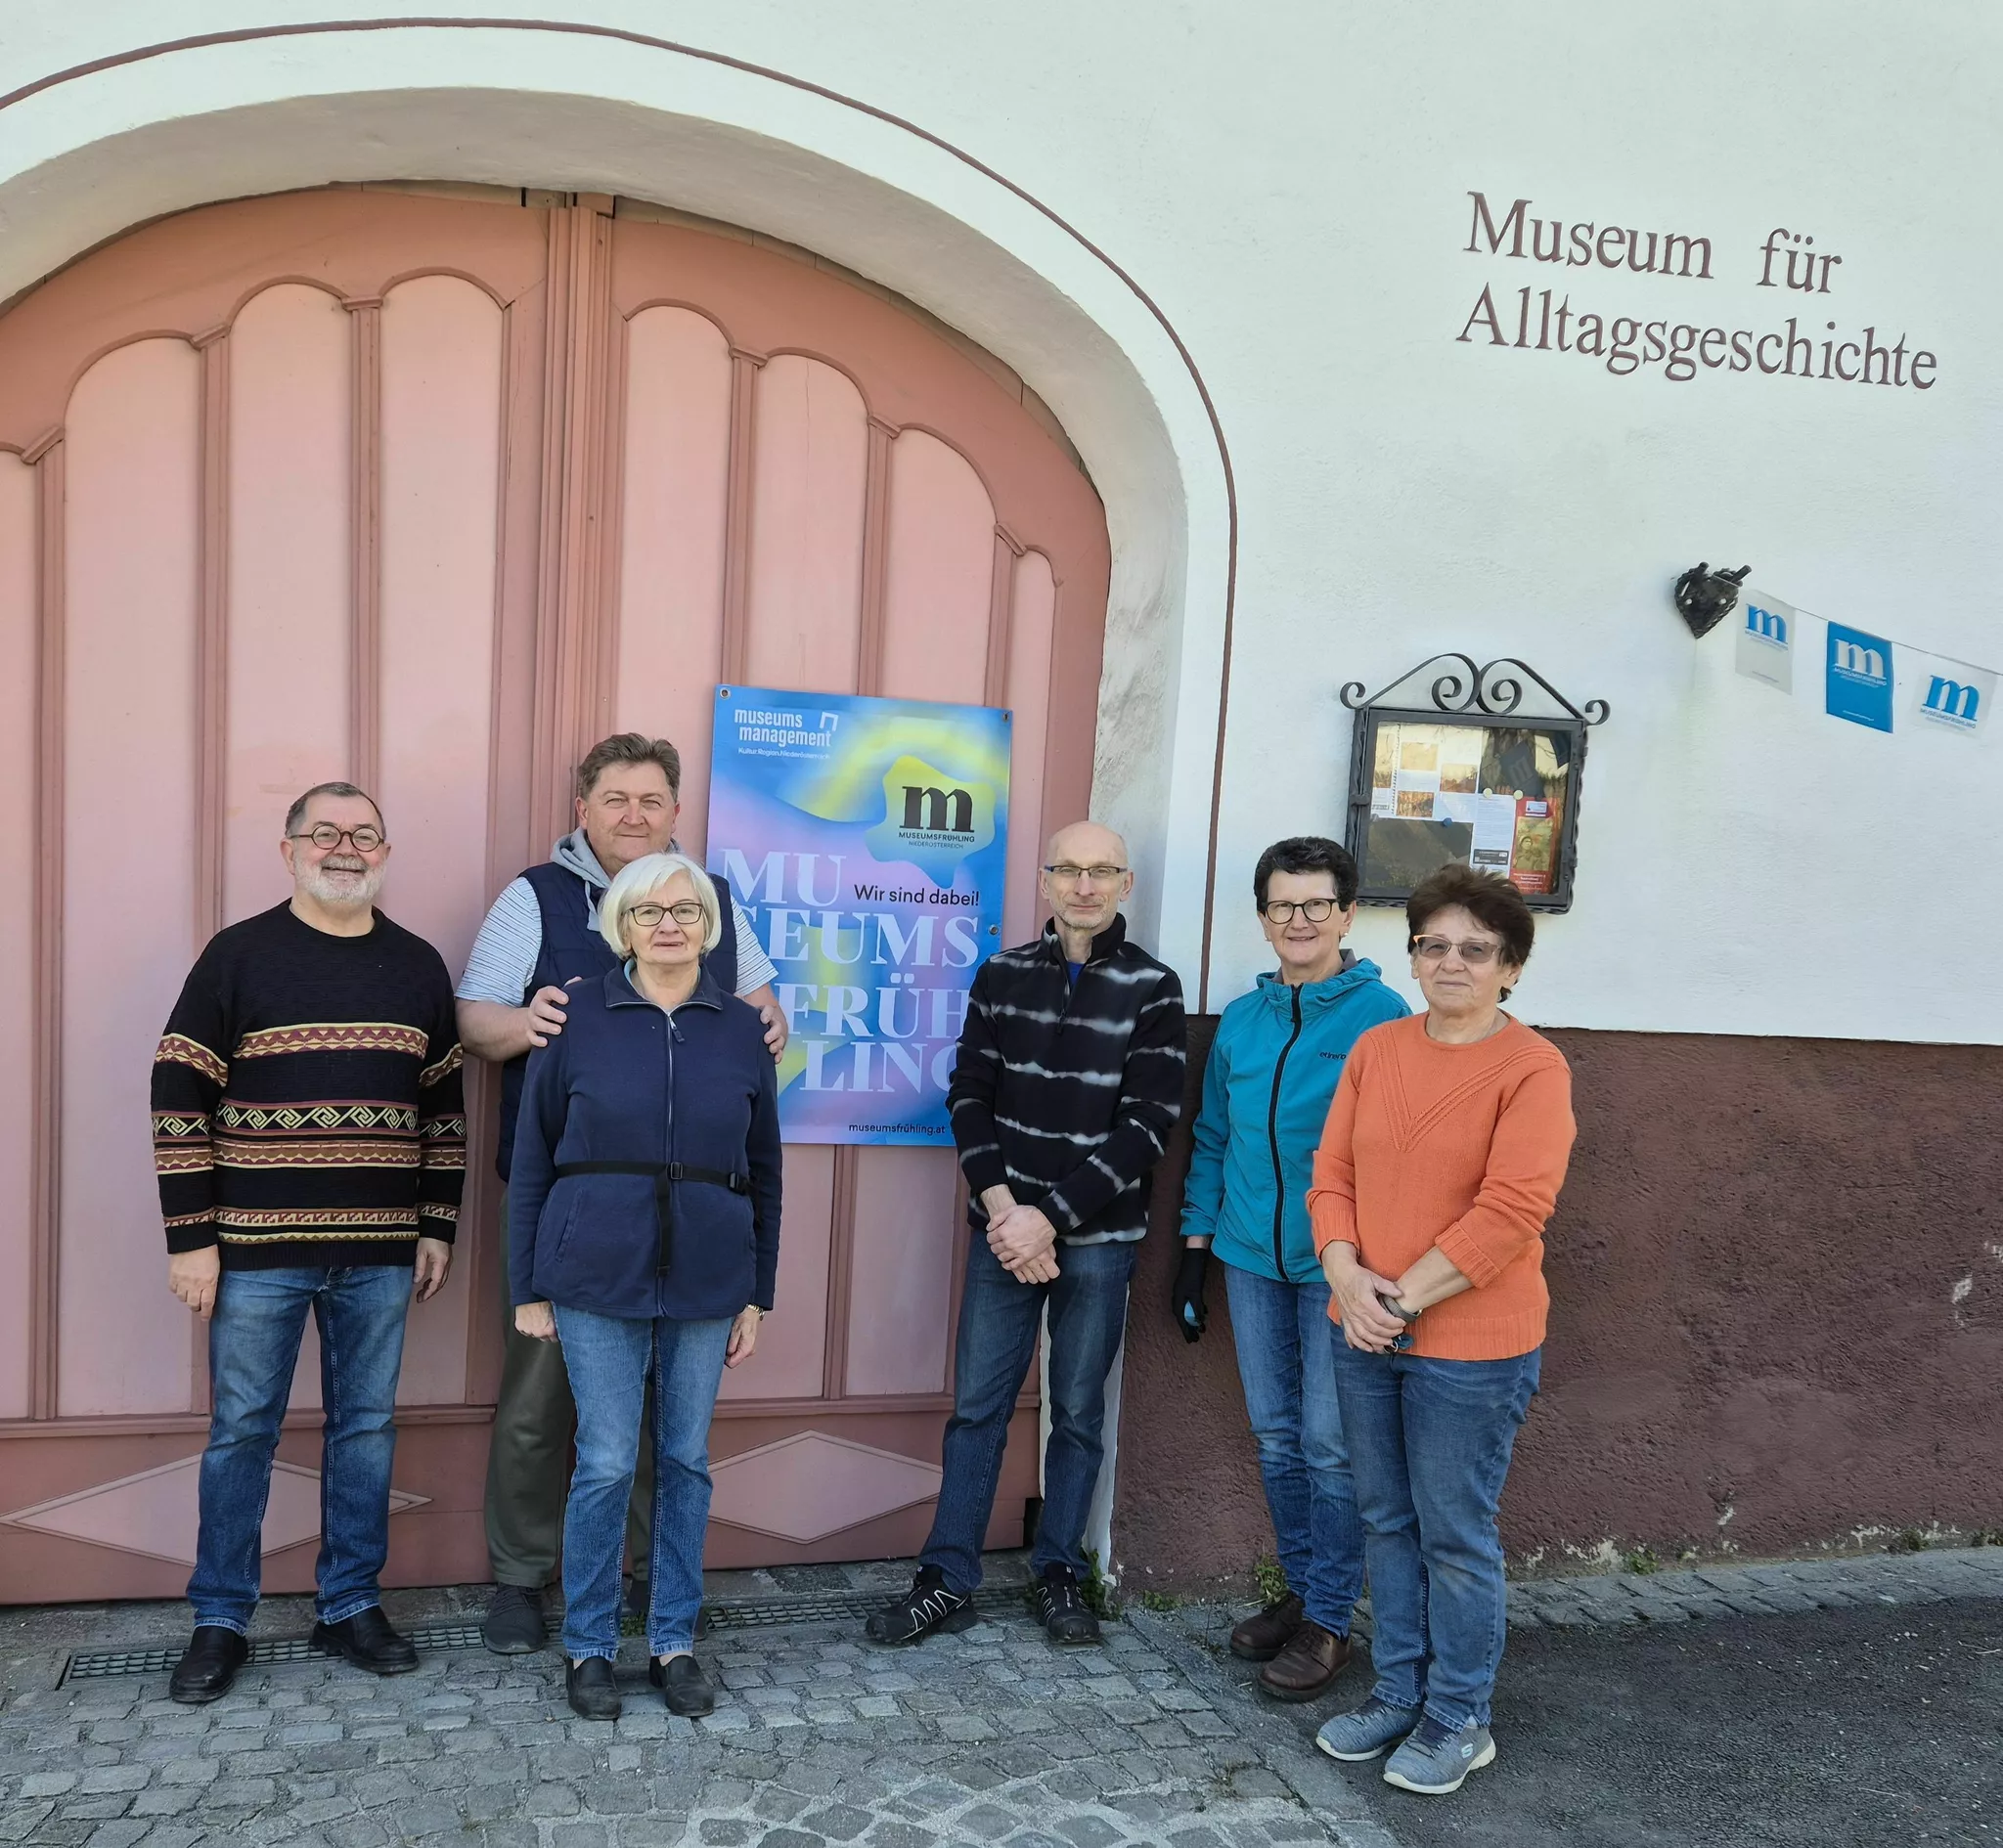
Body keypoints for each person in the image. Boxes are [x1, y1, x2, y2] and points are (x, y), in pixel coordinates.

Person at [456, 732, 786, 1654]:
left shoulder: (708, 900)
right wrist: (532, 1024)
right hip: (576, 1201)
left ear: (676, 812)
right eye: (615, 800)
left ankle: (649, 1579)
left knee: (666, 1423)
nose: (634, 815)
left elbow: (767, 1014)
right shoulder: (536, 896)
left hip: (694, 1215)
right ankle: (524, 1580)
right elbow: (474, 1017)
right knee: (542, 1404)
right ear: (583, 808)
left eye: (652, 800)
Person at [152, 784, 464, 1703]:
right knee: (242, 1429)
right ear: (287, 849)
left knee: (365, 1429)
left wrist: (435, 1225)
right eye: (324, 832)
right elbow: (178, 1096)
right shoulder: (237, 956)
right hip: (255, 1251)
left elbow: (444, 1109)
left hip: (378, 1251)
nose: (344, 848)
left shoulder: (416, 965)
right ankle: (220, 1617)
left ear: (385, 853)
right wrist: (191, 1238)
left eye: (363, 834)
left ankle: (349, 1605)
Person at [866, 821, 1187, 1650]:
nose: (1084, 885)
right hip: (1003, 1233)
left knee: (1077, 1411)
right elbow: (967, 1096)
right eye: (1069, 870)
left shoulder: (1154, 986)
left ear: (1125, 885)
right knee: (978, 1408)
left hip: (1099, 1240)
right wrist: (1009, 1211)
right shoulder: (1002, 974)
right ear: (1044, 882)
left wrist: (1050, 1217)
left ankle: (1059, 1574)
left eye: (1102, 871)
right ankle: (948, 1578)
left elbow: (1148, 1126)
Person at [1307, 864, 1574, 1795]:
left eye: (1475, 948)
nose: (1450, 961)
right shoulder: (1377, 1049)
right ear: (1412, 956)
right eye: (1433, 944)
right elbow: (1330, 1172)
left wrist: (1396, 1299)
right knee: (1385, 1517)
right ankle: (1398, 1691)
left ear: (1510, 969)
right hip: (1368, 1324)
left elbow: (1511, 1211)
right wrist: (1344, 1275)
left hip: (1473, 1343)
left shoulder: (1533, 1068)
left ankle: (1461, 1714)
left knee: (1454, 1531)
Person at [507, 853, 781, 1720]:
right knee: (608, 1462)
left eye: (688, 911)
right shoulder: (577, 1014)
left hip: (708, 1278)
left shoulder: (740, 1027)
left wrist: (758, 1290)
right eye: (650, 911)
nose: (670, 924)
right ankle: (588, 1647)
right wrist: (528, 1286)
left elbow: (766, 1167)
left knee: (686, 1463)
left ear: (709, 927)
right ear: (621, 925)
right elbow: (530, 1161)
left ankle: (673, 1641)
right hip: (594, 1273)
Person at [1175, 837, 1408, 1701]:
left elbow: (1397, 1155)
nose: (1298, 921)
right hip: (1248, 1258)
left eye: (1316, 905)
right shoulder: (1242, 1019)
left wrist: (1373, 1265)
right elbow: (1213, 1140)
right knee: (1277, 1438)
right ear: (1263, 917)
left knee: (1328, 1446)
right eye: (1282, 906)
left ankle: (1330, 1621)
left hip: (1338, 1269)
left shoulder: (1384, 1016)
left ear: (1348, 914)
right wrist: (1195, 1255)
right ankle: (1306, 1591)